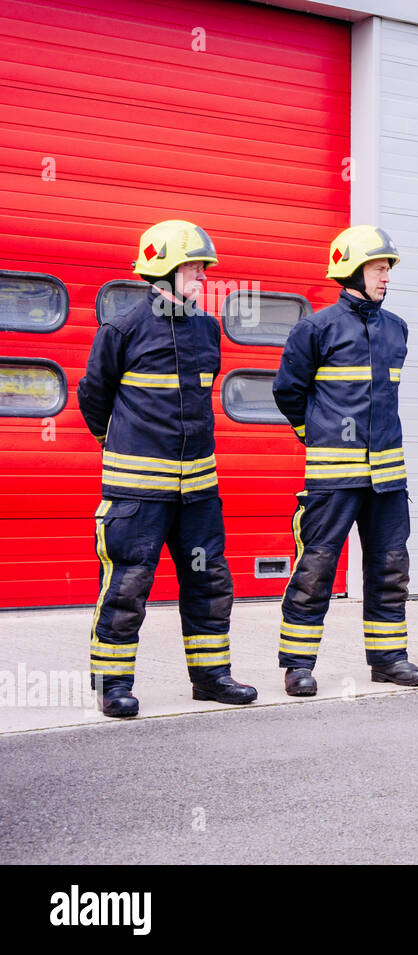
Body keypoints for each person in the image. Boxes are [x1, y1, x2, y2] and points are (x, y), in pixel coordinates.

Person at [77, 219, 257, 717]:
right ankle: (112, 685)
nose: (202, 276)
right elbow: (93, 395)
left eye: (203, 267)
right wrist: (117, 447)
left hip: (198, 493)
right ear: (163, 269)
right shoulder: (123, 328)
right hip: (136, 494)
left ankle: (211, 677)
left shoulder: (206, 328)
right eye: (194, 267)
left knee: (208, 581)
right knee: (127, 585)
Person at [273, 225, 418, 695]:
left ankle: (389, 659)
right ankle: (297, 665)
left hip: (388, 480)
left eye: (387, 269)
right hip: (333, 478)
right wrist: (316, 435)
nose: (385, 277)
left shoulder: (397, 328)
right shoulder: (316, 328)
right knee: (317, 567)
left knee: (389, 567)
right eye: (378, 268)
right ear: (351, 269)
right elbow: (288, 392)